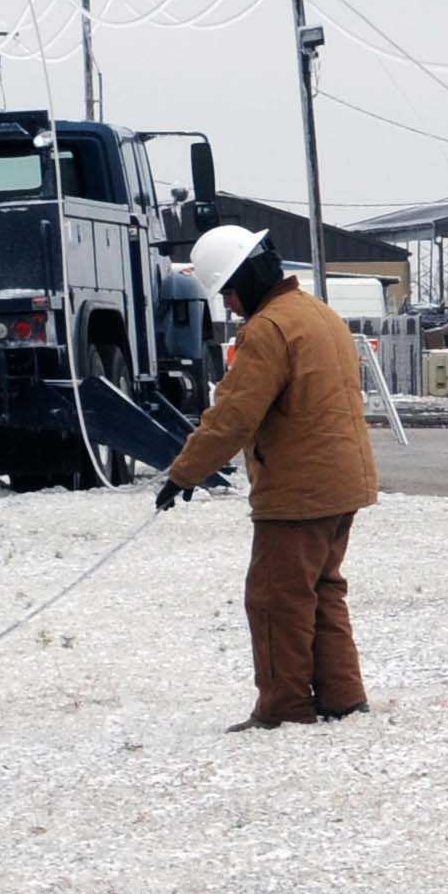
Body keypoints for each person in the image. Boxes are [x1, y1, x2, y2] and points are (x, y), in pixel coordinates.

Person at [158, 223, 377, 731]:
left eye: (229, 292)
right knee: (322, 590)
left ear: (249, 277)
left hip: (298, 490)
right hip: (343, 482)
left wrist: (183, 474)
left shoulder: (268, 330)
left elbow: (233, 415)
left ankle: (283, 708)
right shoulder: (319, 314)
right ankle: (343, 698)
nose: (230, 305)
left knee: (275, 599)